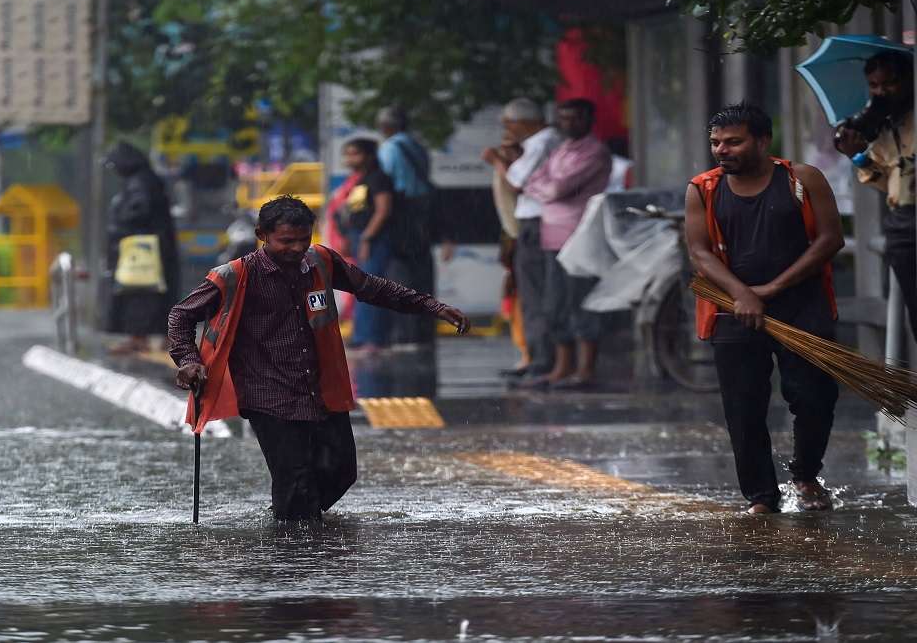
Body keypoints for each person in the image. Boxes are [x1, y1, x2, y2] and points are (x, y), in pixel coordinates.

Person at [167, 195, 470, 523]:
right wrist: (188, 359)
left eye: (303, 239)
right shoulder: (234, 276)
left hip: (319, 387)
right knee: (295, 479)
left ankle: (292, 517)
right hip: (267, 393)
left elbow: (372, 288)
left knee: (342, 470)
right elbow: (181, 315)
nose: (296, 249)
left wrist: (432, 307)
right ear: (262, 235)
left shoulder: (322, 261)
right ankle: (291, 550)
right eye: (286, 241)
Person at [685, 102, 844, 514]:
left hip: (802, 306)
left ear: (762, 140)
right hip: (734, 308)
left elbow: (830, 240)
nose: (722, 150)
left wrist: (771, 288)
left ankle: (806, 475)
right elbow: (700, 253)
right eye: (716, 142)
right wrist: (743, 294)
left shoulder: (801, 179)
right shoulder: (702, 188)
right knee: (743, 406)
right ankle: (761, 496)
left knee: (814, 397)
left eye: (733, 141)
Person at [521, 98, 611, 388]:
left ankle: (585, 371)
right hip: (552, 238)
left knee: (581, 304)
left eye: (574, 118)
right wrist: (549, 189)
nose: (568, 123)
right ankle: (561, 368)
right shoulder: (560, 150)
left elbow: (558, 187)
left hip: (580, 237)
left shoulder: (595, 152)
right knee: (555, 305)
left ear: (588, 120)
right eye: (563, 118)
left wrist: (548, 189)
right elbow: (532, 182)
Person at [833, 50, 917, 339]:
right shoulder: (882, 125)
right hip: (903, 222)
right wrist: (858, 157)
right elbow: (887, 182)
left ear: (908, 80)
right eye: (874, 85)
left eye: (889, 83)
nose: (881, 92)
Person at [482, 98, 564, 378]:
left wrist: (498, 161)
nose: (509, 130)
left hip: (536, 221)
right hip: (536, 220)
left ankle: (541, 358)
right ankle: (536, 355)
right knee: (531, 293)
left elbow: (517, 181)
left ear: (525, 122)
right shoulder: (545, 141)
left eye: (510, 125)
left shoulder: (542, 142)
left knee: (534, 293)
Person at [104, 142, 180, 353]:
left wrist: (120, 222)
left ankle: (140, 337)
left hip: (144, 250)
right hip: (156, 247)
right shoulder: (146, 179)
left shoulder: (140, 182)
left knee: (139, 292)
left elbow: (140, 209)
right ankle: (163, 336)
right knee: (155, 292)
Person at [376, 106, 438, 349]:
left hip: (401, 215)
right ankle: (422, 331)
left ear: (388, 126)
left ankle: (405, 333)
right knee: (421, 274)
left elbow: (386, 180)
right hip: (421, 215)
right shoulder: (417, 146)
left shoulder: (390, 148)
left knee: (400, 275)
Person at [337, 138, 396, 354]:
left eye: (355, 154)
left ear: (370, 155)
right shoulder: (358, 180)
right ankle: (362, 336)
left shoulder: (378, 179)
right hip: (358, 237)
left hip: (374, 240)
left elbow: (383, 210)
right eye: (348, 154)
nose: (350, 159)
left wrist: (367, 238)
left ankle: (373, 338)